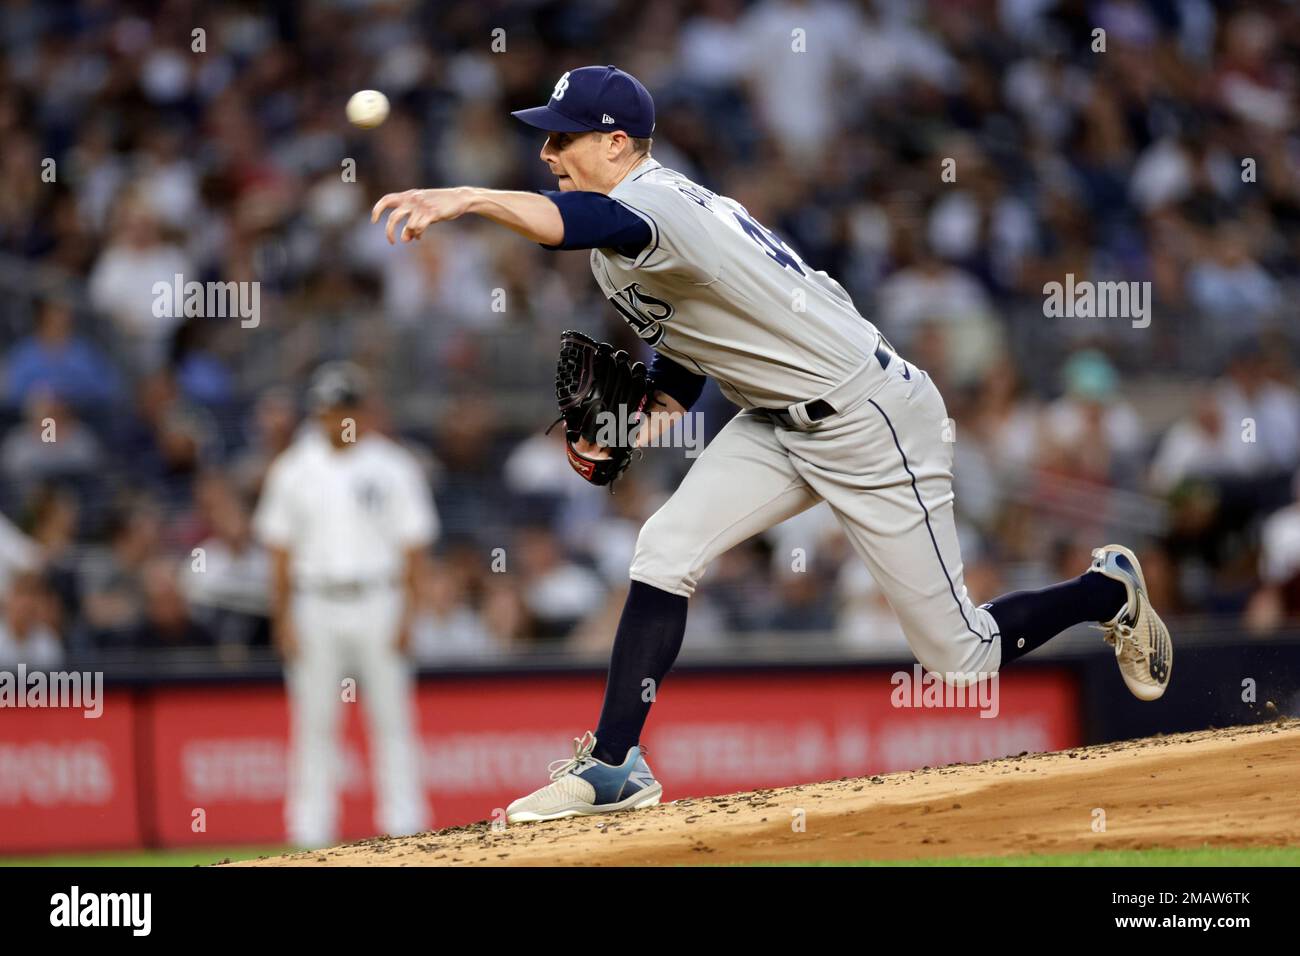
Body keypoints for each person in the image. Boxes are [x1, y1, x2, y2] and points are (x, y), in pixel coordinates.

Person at [371, 65, 1173, 824]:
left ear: (617, 143)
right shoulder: (632, 237)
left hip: (870, 416)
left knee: (959, 662)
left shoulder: (654, 202)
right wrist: (642, 419)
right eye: (544, 140)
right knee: (664, 547)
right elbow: (690, 344)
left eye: (563, 138)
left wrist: (470, 196)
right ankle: (614, 766)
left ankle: (1107, 592)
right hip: (773, 418)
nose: (547, 153)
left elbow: (581, 222)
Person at [253, 362, 436, 848]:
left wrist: (409, 615)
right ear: (319, 412)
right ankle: (310, 831)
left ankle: (405, 825)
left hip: (381, 596)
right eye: (332, 410)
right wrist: (283, 617)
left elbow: (414, 546)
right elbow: (278, 551)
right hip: (314, 601)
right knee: (314, 723)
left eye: (348, 409)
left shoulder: (393, 464)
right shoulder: (293, 468)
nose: (340, 419)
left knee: (392, 719)